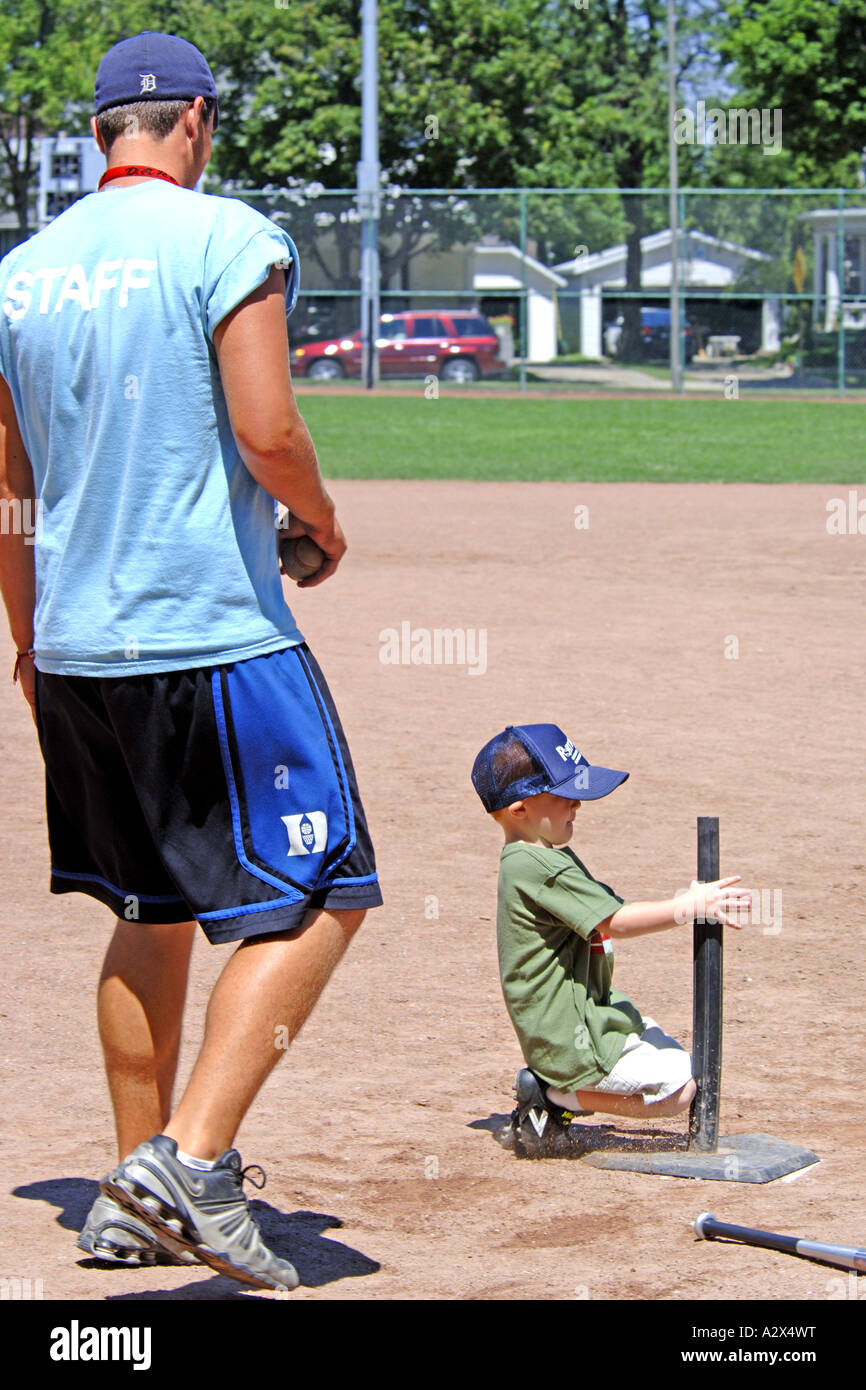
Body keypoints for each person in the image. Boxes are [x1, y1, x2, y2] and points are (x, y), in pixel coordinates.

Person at [0, 31, 382, 1291]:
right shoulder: (226, 235)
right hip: (209, 632)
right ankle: (192, 1162)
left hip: (76, 649)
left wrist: (27, 644)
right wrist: (319, 521)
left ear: (104, 129)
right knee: (328, 886)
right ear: (197, 121)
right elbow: (267, 428)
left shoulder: (22, 272)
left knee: (148, 912)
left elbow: (8, 493)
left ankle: (123, 1195)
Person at [470, 724, 750, 1157]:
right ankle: (554, 1093)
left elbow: (612, 911)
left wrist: (689, 900)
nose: (578, 803)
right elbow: (615, 922)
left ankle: (563, 1084)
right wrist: (692, 905)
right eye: (564, 794)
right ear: (520, 809)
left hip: (593, 1015)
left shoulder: (543, 856)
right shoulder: (535, 865)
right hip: (567, 1033)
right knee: (680, 1090)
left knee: (678, 1064)